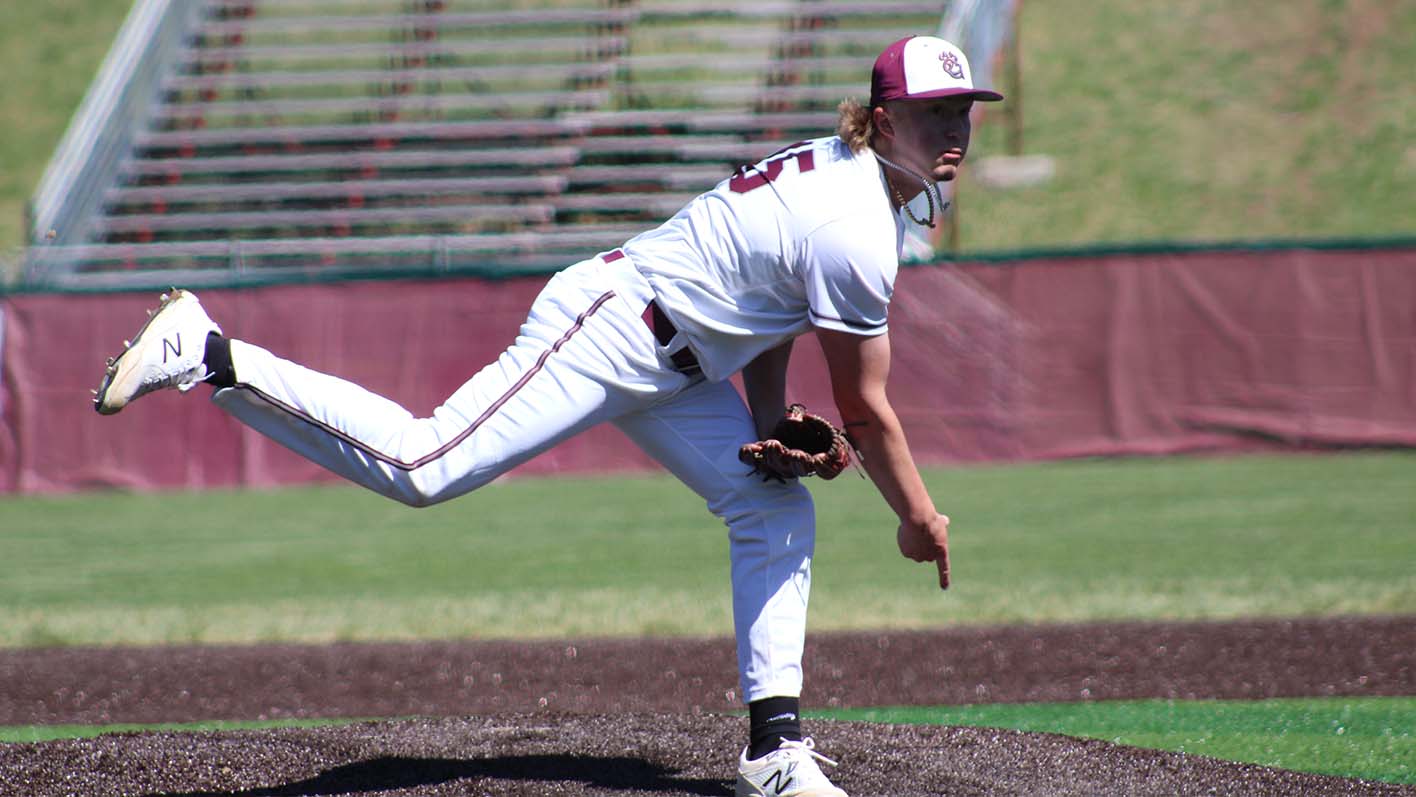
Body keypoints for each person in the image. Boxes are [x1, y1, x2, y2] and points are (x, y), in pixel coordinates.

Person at [94, 34, 1002, 797]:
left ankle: (774, 751)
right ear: (884, 120)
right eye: (935, 114)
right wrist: (916, 519)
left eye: (962, 111)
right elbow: (866, 412)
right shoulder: (854, 224)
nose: (954, 130)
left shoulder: (846, 176)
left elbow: (771, 307)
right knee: (425, 465)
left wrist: (769, 416)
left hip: (680, 359)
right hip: (614, 326)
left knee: (772, 507)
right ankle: (208, 351)